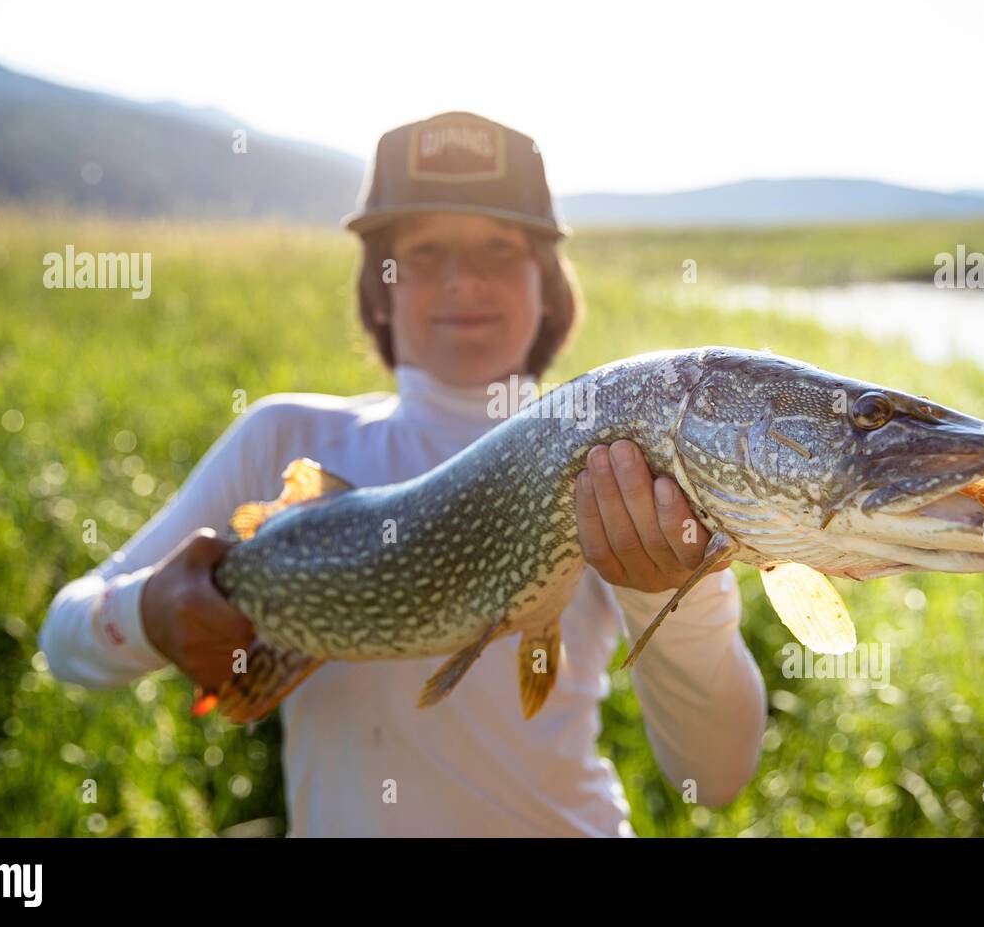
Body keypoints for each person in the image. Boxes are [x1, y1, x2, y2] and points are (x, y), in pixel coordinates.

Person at [39, 110, 767, 837]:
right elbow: (64, 637)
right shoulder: (284, 437)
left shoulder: (616, 455)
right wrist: (146, 614)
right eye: (423, 251)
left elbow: (716, 775)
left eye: (498, 247)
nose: (463, 280)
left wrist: (671, 594)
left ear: (548, 280)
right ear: (379, 283)